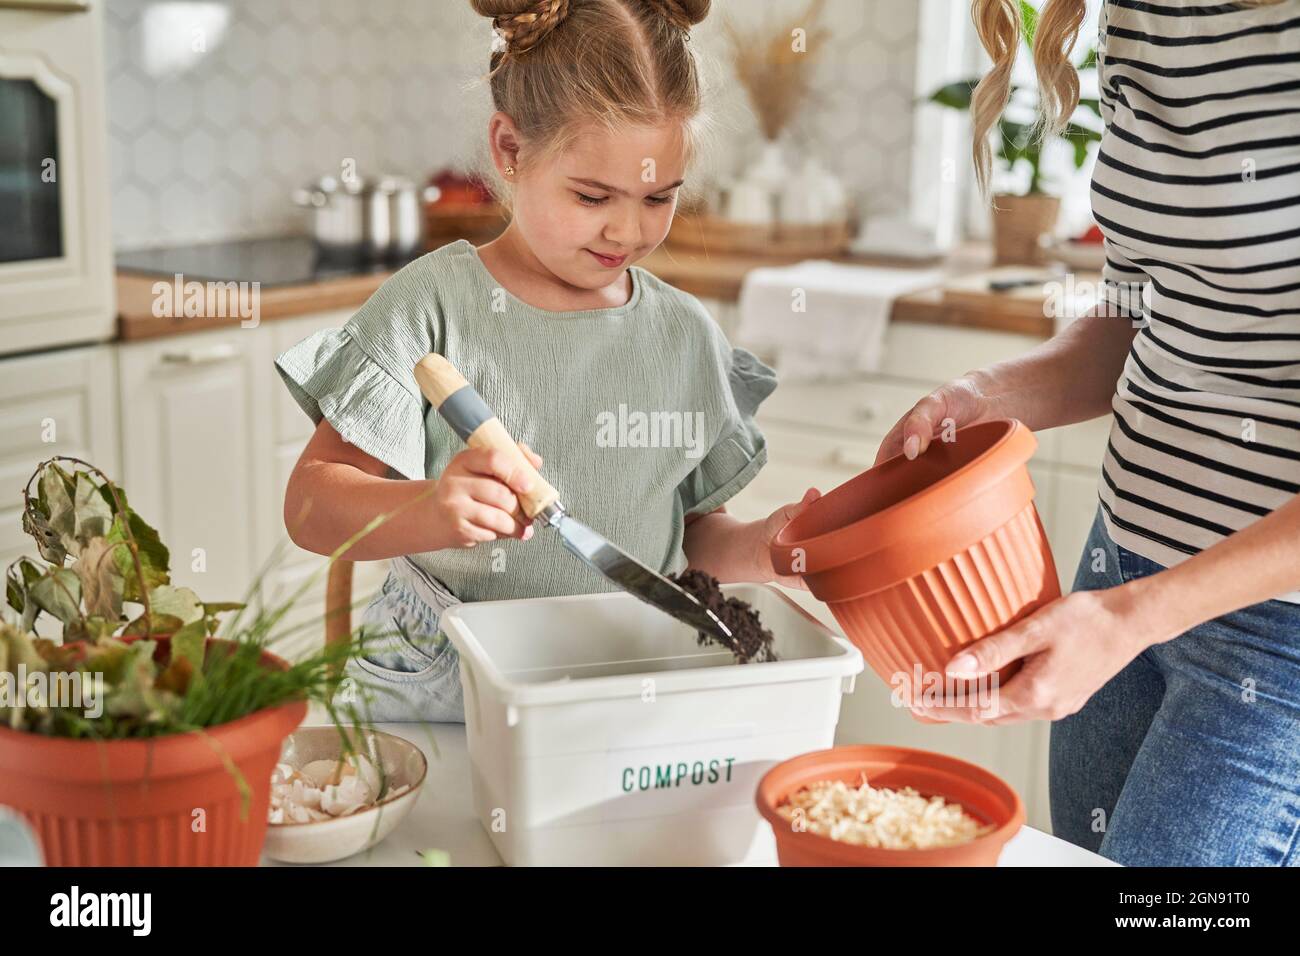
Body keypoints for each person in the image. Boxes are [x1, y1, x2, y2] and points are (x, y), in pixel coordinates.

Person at [274, 0, 816, 725]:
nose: (628, 229)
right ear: (510, 149)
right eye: (593, 196)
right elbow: (312, 507)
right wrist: (431, 510)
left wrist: (765, 549)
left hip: (622, 677)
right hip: (443, 683)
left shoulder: (685, 336)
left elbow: (688, 545)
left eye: (660, 197)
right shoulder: (433, 304)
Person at [877, 0, 1300, 865]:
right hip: (1117, 569)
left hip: (1273, 635)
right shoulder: (1140, 20)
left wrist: (1132, 619)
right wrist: (984, 394)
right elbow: (1134, 315)